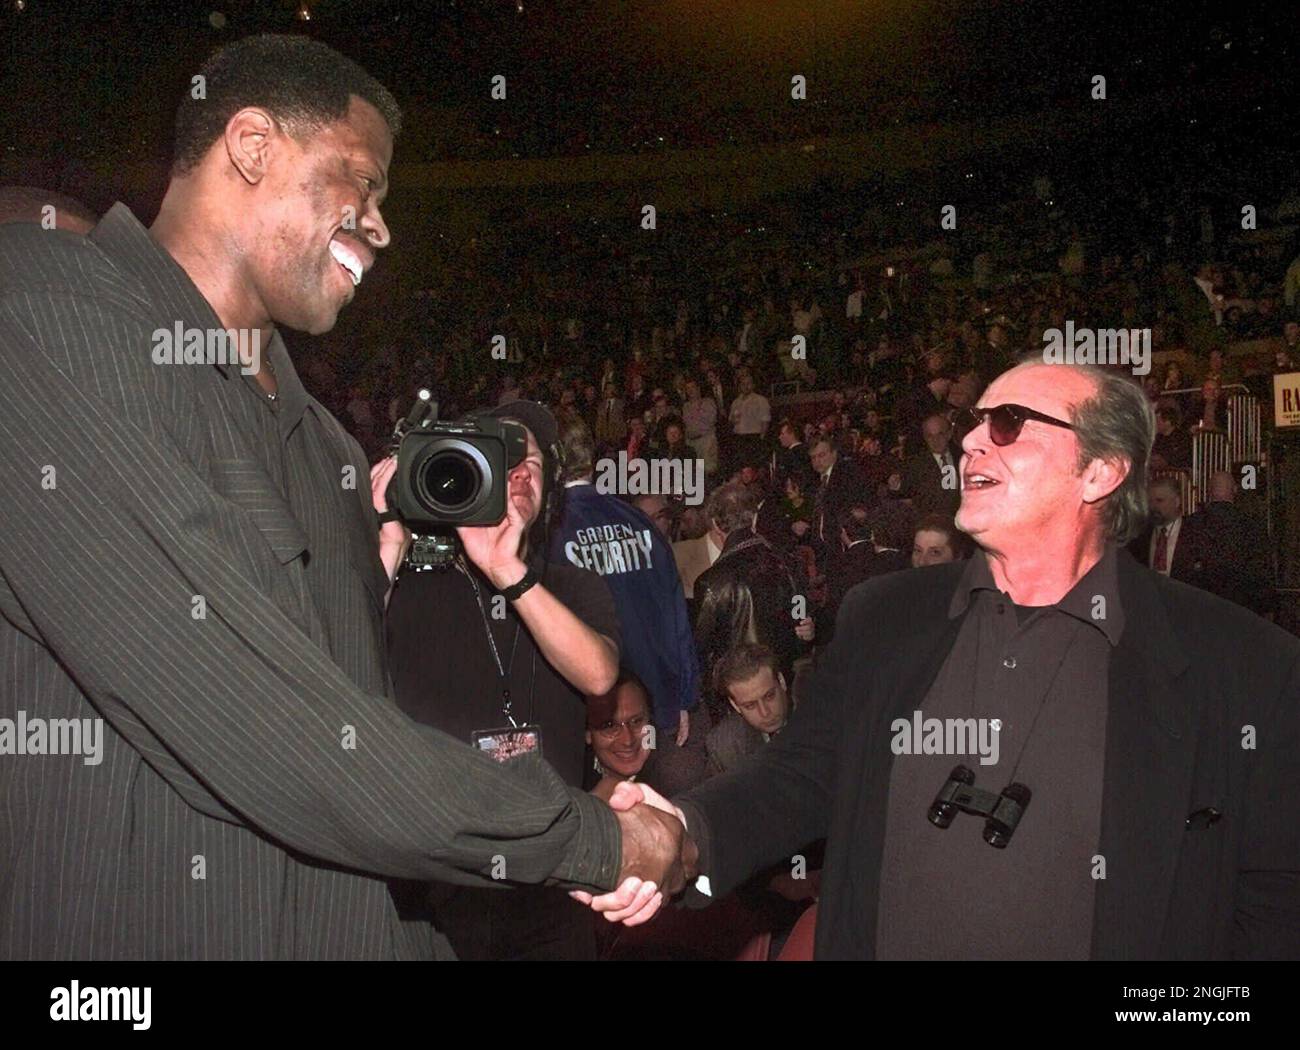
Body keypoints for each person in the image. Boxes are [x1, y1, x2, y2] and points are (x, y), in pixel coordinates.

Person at [0, 33, 685, 961]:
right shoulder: (40, 312)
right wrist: (598, 841)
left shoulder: (325, 445)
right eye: (361, 185)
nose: (382, 224)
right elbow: (267, 724)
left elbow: (358, 760)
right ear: (251, 147)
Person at [585, 359, 1300, 960]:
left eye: (1008, 425)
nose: (971, 444)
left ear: (1101, 471)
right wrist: (684, 832)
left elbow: (1270, 915)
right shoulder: (885, 615)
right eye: (972, 424)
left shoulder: (1244, 670)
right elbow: (798, 776)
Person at [383, 402, 620, 960]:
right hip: (436, 886)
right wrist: (387, 545)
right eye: (500, 456)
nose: (517, 471)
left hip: (550, 882)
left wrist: (506, 570)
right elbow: (342, 654)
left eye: (531, 462)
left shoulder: (572, 587)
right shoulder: (412, 588)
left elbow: (599, 673)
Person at [549, 419, 702, 757]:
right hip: (654, 696)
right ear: (592, 461)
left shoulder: (548, 533)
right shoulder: (639, 520)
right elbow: (675, 613)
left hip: (590, 710)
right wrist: (684, 696)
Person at [693, 482, 812, 715]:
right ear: (754, 517)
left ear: (716, 524)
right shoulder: (787, 561)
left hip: (738, 693)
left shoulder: (711, 582)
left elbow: (701, 648)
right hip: (780, 682)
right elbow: (802, 621)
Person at [705, 644, 793, 775]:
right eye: (750, 705)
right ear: (735, 705)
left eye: (769, 696)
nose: (765, 712)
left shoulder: (823, 716)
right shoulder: (725, 746)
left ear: (781, 681)